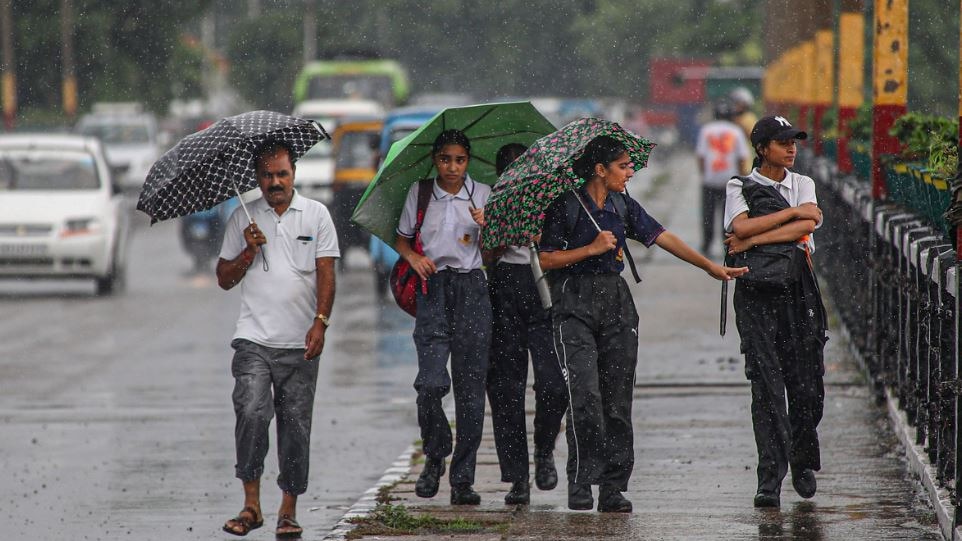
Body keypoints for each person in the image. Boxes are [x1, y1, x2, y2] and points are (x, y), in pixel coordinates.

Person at [538, 135, 747, 513]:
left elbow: (661, 236)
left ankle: (614, 487)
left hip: (616, 303)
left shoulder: (622, 204)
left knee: (617, 399)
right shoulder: (564, 207)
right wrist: (590, 249)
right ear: (600, 170)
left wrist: (709, 266)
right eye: (623, 166)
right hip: (574, 304)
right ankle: (582, 478)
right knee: (585, 396)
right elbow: (548, 260)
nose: (630, 172)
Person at [216, 140, 339, 537]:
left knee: (295, 426)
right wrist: (247, 252)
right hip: (253, 340)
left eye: (282, 174)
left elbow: (326, 273)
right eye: (267, 175)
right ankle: (251, 505)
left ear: (294, 175)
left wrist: (320, 322)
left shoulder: (317, 215)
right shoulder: (242, 218)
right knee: (251, 412)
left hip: (299, 343)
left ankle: (288, 509)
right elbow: (223, 278)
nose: (275, 182)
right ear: (257, 177)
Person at [723, 115, 827, 508]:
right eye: (782, 142)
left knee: (807, 384)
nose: (791, 149)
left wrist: (759, 232)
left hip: (798, 290)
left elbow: (809, 222)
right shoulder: (740, 186)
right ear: (762, 148)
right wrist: (791, 217)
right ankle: (770, 476)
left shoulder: (803, 184)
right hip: (756, 291)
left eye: (794, 142)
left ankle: (803, 458)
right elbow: (738, 227)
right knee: (766, 386)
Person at [394, 129, 491, 506]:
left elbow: (496, 251)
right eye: (445, 159)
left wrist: (489, 226)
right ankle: (435, 455)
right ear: (435, 160)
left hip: (473, 291)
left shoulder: (482, 194)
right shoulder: (419, 194)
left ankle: (463, 479)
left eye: (460, 159)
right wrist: (413, 257)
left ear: (468, 160)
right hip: (432, 290)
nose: (452, 167)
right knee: (430, 383)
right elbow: (402, 238)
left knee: (470, 392)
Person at [484, 143, 567, 506]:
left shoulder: (553, 200)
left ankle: (544, 449)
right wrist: (495, 238)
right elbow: (483, 257)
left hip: (544, 292)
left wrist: (542, 239)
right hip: (504, 289)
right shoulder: (492, 203)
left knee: (553, 383)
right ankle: (517, 476)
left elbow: (565, 247)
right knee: (505, 388)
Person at [694, 100, 751, 255]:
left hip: (710, 179)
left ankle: (706, 244)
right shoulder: (736, 131)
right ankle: (727, 245)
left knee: (708, 214)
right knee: (729, 215)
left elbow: (701, 156)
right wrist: (741, 178)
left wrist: (703, 174)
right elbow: (742, 156)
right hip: (730, 180)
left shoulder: (706, 130)